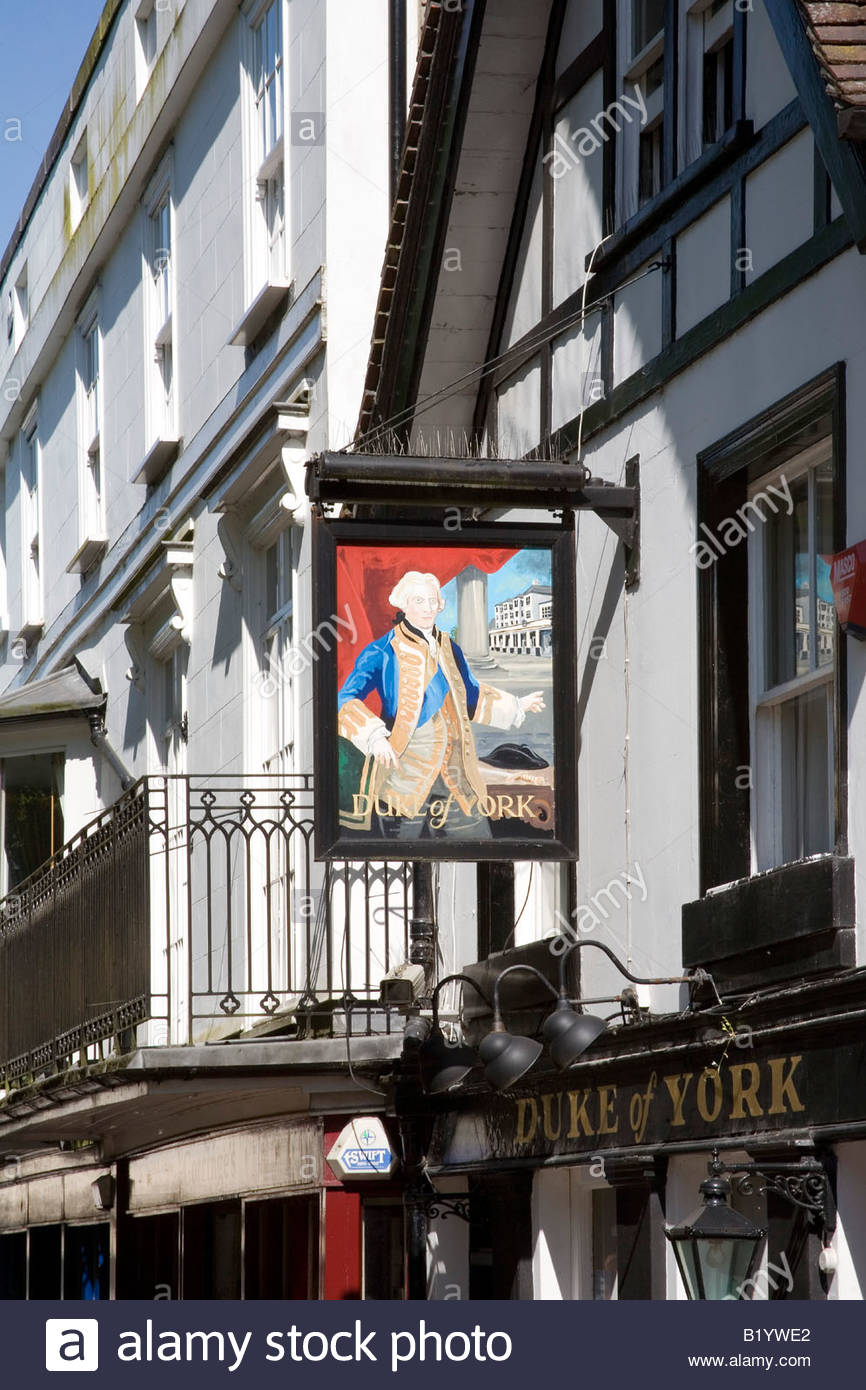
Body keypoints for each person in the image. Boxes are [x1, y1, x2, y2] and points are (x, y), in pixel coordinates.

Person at [337, 570, 545, 839]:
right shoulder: (382, 650)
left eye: (432, 601)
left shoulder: (450, 647)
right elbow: (345, 699)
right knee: (401, 860)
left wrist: (517, 705)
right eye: (419, 601)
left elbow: (469, 698)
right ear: (404, 604)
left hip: (456, 781)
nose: (428, 608)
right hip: (404, 785)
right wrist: (375, 738)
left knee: (480, 844)